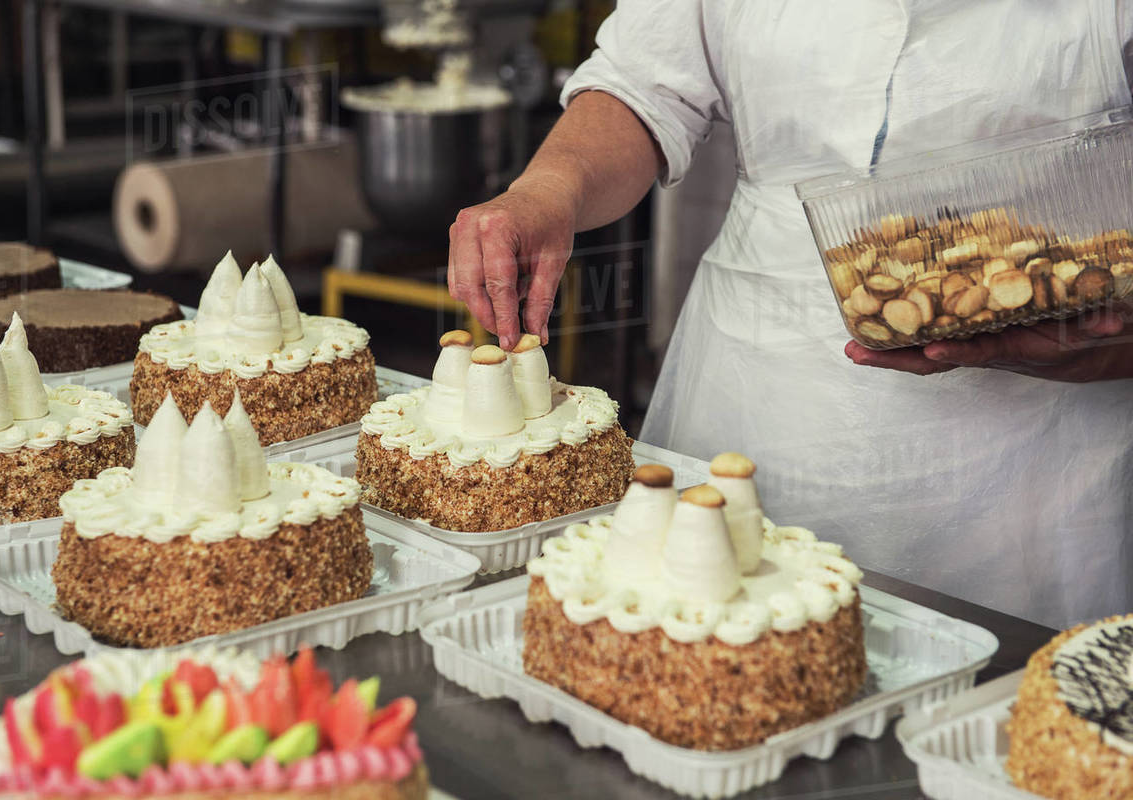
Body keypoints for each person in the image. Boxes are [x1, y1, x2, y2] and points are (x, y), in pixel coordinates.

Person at [446, 0, 1133, 629]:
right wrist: (549, 188)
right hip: (756, 381)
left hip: (1026, 460)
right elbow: (645, 82)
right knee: (697, 642)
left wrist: (1106, 351)